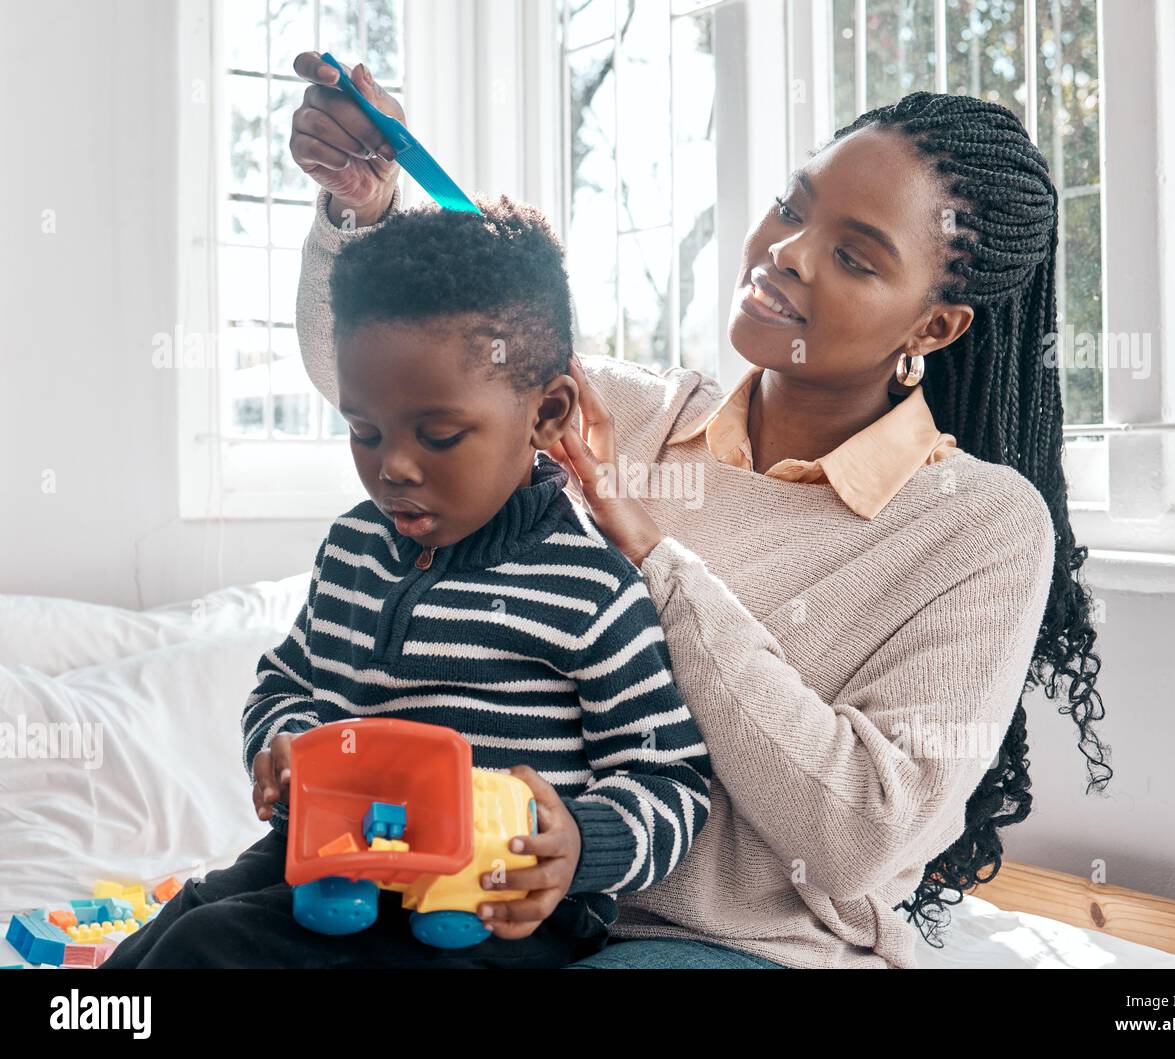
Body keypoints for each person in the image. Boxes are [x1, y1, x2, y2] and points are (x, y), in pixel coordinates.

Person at [287, 55, 1112, 970]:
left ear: (933, 328)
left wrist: (653, 555)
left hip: (732, 946)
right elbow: (387, 381)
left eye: (853, 256)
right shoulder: (629, 413)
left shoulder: (977, 525)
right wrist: (361, 209)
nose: (786, 251)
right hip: (513, 913)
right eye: (795, 208)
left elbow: (860, 834)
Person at [100, 195, 711, 969]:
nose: (393, 465)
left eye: (439, 434)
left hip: (487, 903)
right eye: (365, 431)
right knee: (167, 933)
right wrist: (283, 742)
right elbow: (286, 681)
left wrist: (577, 842)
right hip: (340, 855)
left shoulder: (590, 588)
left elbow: (670, 778)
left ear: (548, 412)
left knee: (210, 950)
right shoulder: (356, 546)